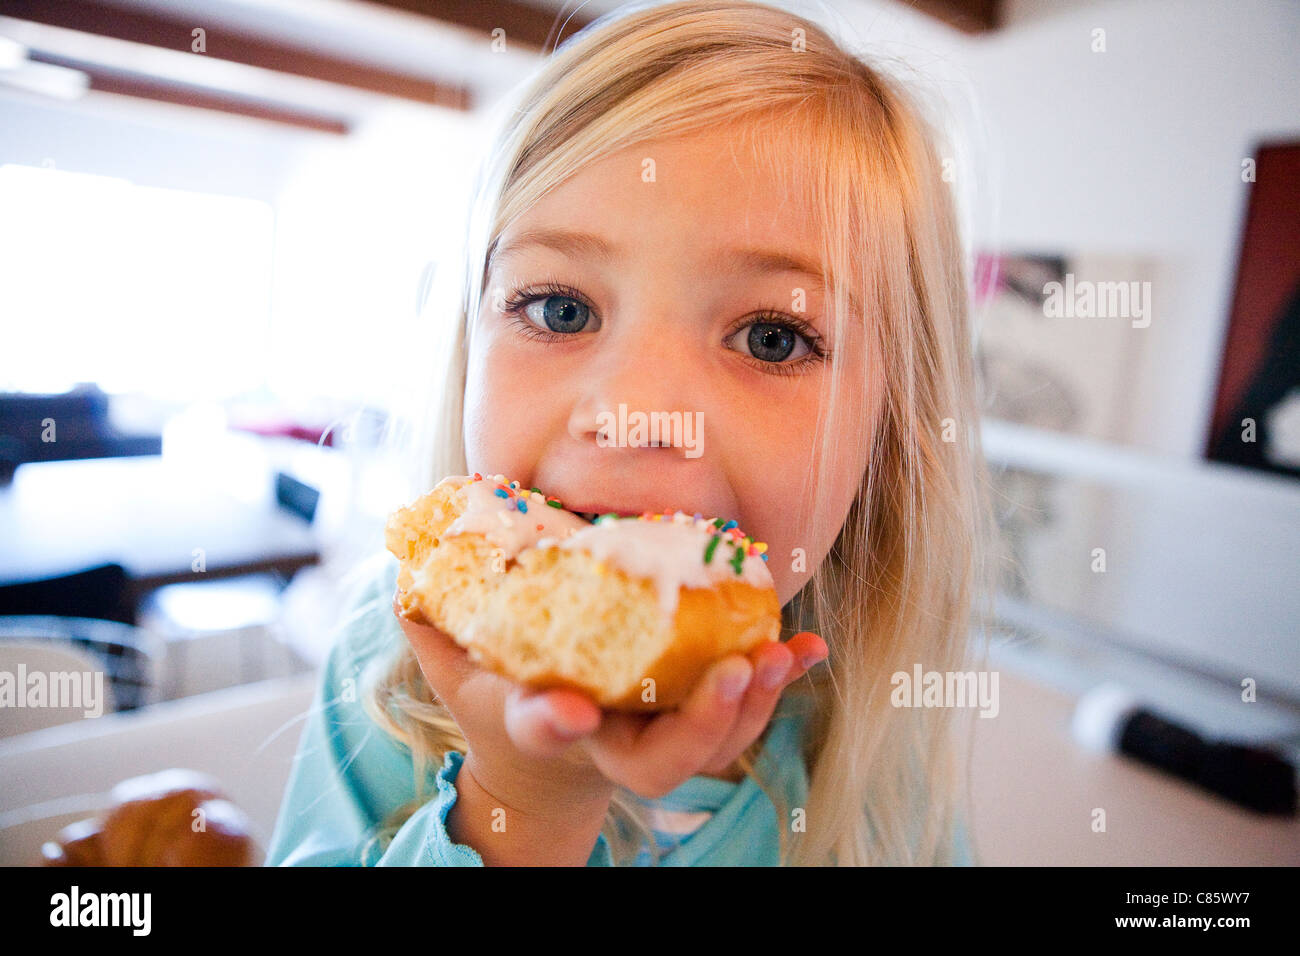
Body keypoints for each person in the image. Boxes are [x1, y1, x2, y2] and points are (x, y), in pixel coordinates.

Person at [267, 0, 992, 867]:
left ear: (888, 432)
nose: (635, 413)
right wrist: (525, 807)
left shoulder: (878, 722)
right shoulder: (388, 661)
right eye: (559, 308)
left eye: (772, 336)